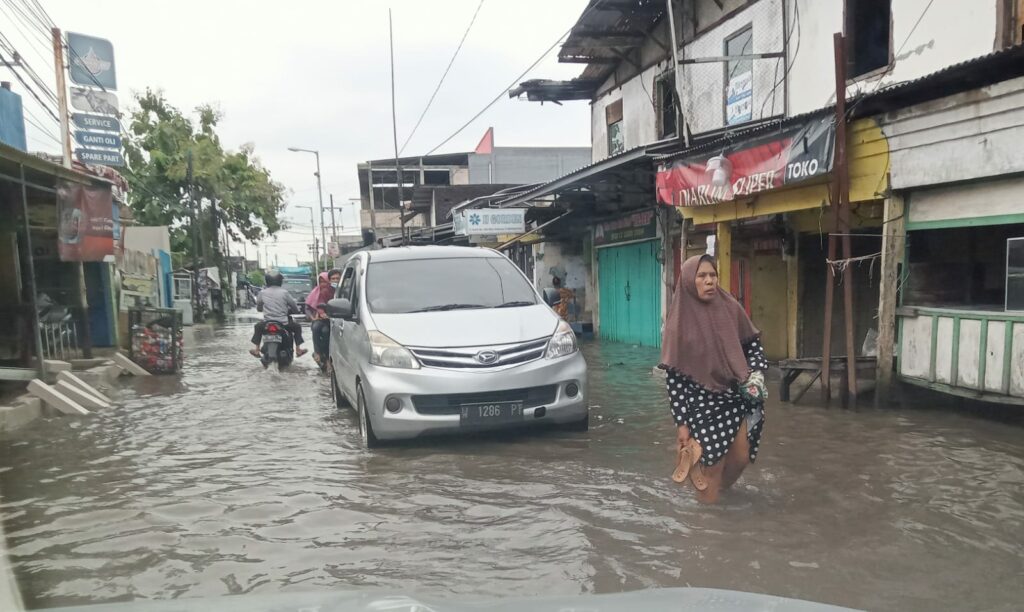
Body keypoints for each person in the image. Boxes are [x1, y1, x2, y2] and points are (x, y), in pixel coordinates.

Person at [660, 254, 769, 504]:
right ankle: (704, 528)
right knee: (710, 466)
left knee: (741, 458)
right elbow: (675, 381)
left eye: (712, 275)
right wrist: (682, 425)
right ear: (689, 281)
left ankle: (716, 495)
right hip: (701, 405)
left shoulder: (730, 307)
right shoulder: (678, 324)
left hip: (734, 397)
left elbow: (752, 344)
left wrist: (756, 373)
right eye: (702, 276)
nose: (709, 281)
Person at [250, 272, 307, 358]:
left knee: (257, 327)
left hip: (267, 323)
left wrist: (263, 309)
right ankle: (298, 350)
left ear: (267, 281)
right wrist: (297, 311)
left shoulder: (262, 292)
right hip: (284, 323)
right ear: (280, 281)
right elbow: (293, 305)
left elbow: (259, 307)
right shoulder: (285, 292)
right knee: (297, 327)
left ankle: (256, 350)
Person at [307, 269, 341, 366]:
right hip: (324, 319)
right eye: (333, 279)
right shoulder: (324, 291)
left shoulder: (344, 290)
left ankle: (327, 359)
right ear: (329, 280)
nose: (335, 281)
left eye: (337, 279)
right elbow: (317, 305)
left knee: (326, 332)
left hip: (338, 318)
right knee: (316, 327)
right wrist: (320, 313)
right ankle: (318, 353)